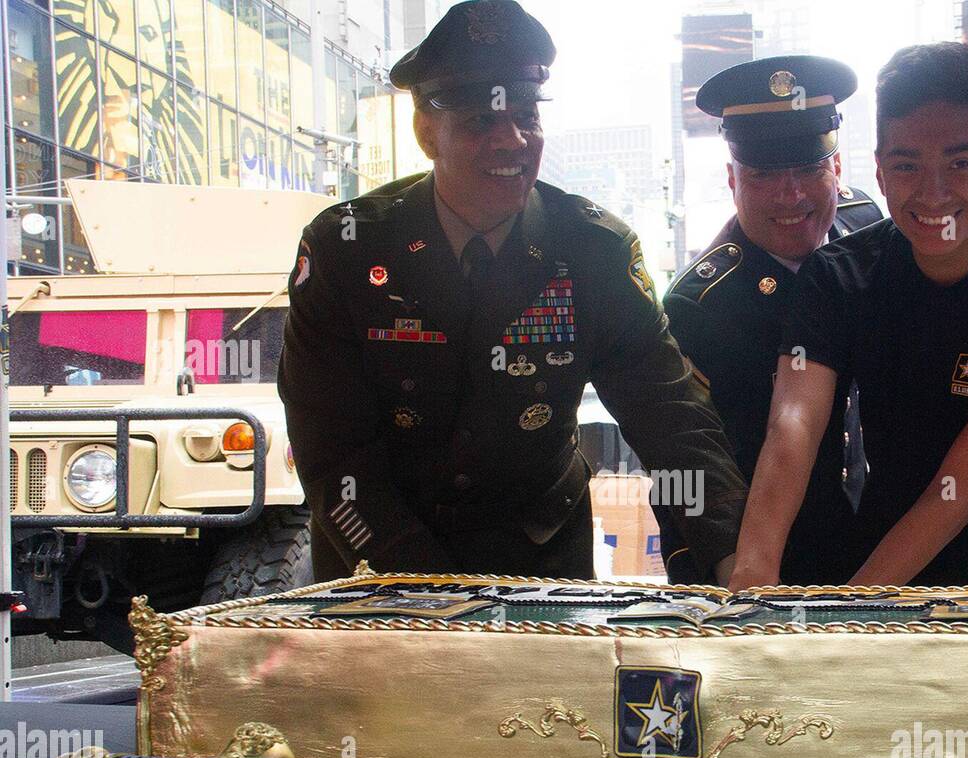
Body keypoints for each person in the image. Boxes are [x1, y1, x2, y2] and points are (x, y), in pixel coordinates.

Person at [280, 0, 747, 585]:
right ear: (427, 130)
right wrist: (425, 591)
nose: (512, 140)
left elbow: (669, 418)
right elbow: (333, 456)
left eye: (527, 115)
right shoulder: (347, 249)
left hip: (540, 567)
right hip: (380, 571)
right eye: (480, 121)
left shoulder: (592, 249)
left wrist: (732, 552)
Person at [728, 42, 968, 590]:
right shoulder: (839, 277)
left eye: (960, 162)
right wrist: (753, 572)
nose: (933, 193)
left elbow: (957, 490)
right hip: (883, 579)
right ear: (879, 174)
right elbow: (793, 425)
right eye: (907, 166)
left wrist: (856, 608)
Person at [652, 56, 882, 585]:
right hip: (764, 575)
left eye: (808, 169)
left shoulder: (865, 227)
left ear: (838, 169)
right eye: (763, 175)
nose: (791, 195)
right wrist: (720, 577)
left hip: (877, 558)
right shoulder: (700, 307)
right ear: (732, 178)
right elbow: (678, 466)